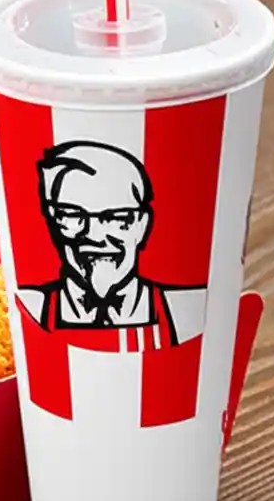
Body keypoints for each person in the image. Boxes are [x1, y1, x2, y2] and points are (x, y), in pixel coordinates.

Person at [16, 140, 204, 348]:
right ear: (53, 223)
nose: (95, 236)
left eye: (117, 218)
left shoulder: (186, 310)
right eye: (73, 215)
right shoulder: (29, 307)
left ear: (141, 225)